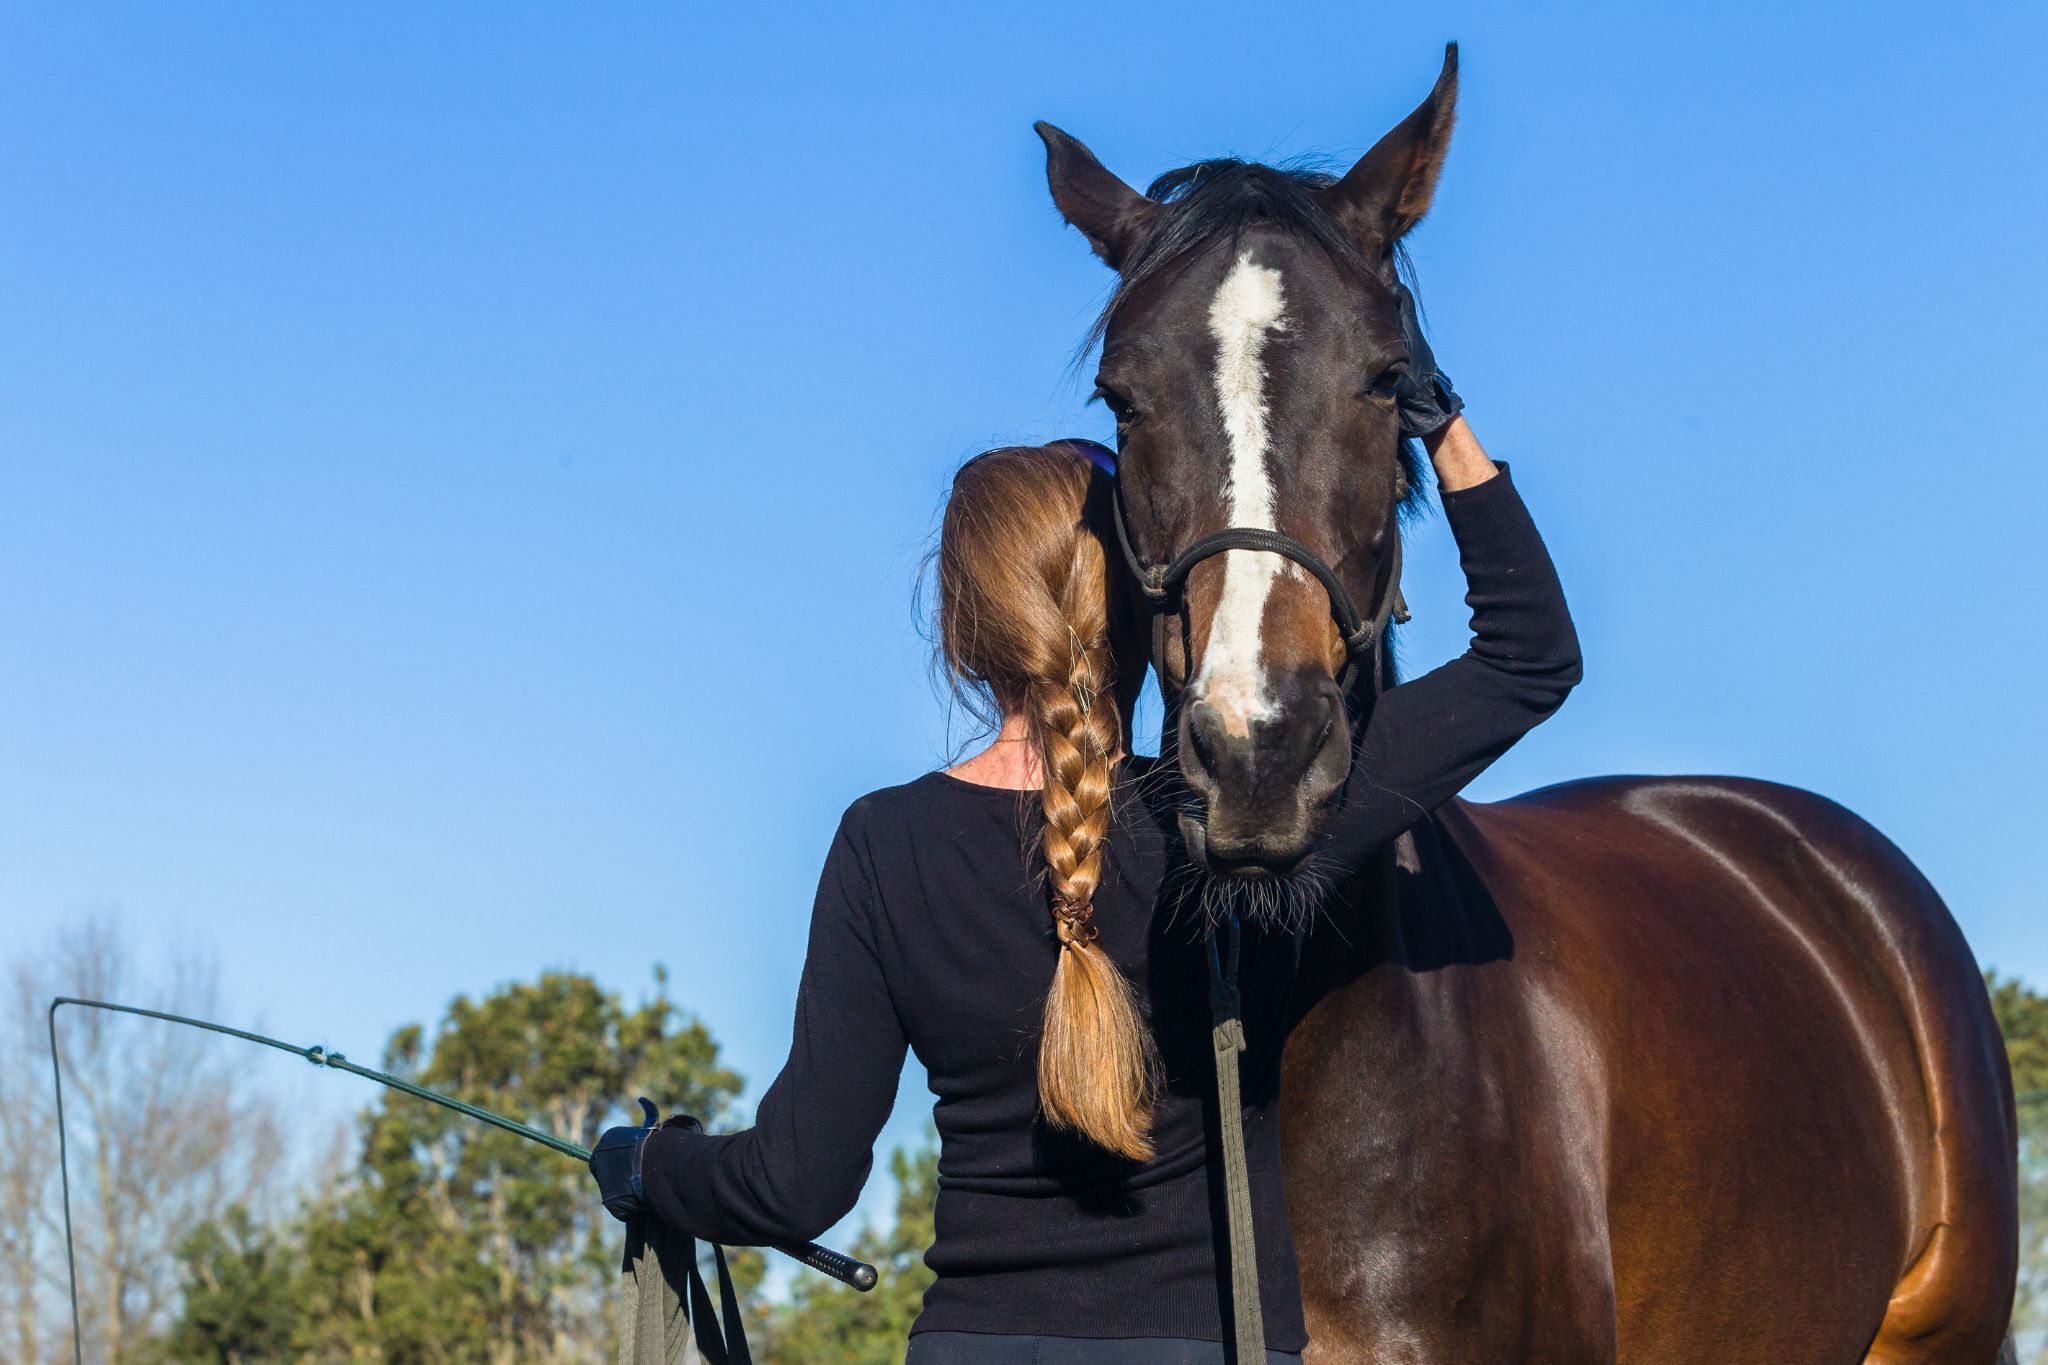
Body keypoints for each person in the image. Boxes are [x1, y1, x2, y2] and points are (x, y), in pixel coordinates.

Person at [588, 288, 1581, 1363]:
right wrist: (1433, 418)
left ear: (964, 634)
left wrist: (649, 1166)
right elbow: (1527, 656)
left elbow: (794, 1182)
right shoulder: (1226, 821)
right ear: (1141, 603)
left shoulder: (882, 847)